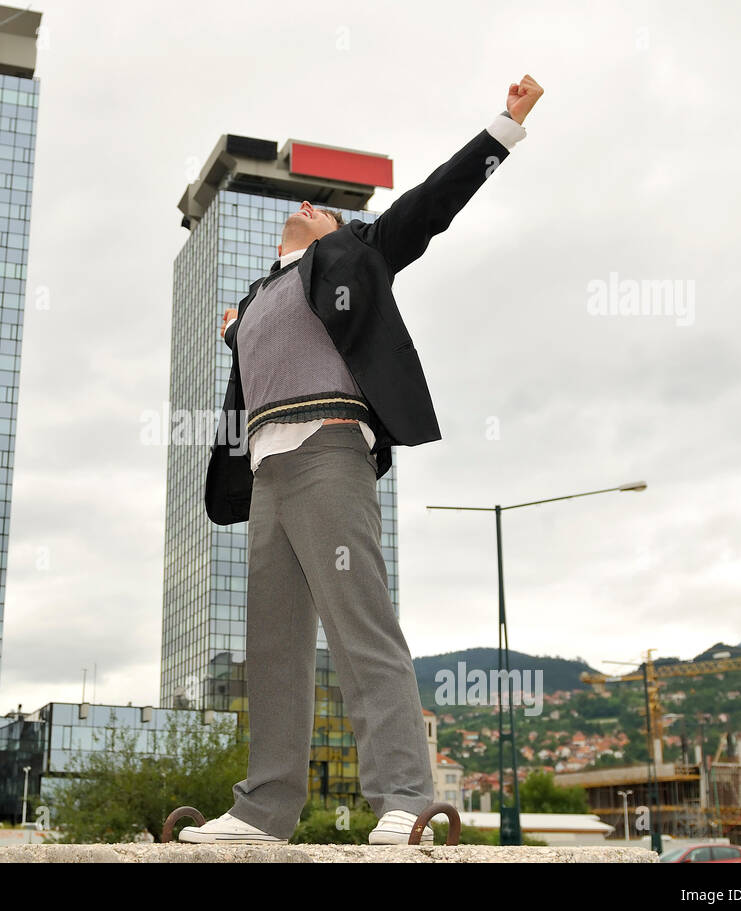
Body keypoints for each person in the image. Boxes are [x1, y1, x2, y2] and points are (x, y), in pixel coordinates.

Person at [186, 76, 544, 844]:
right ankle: (261, 811)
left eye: (328, 206)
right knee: (273, 647)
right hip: (268, 477)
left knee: (362, 627)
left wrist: (502, 130)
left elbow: (427, 205)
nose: (313, 203)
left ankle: (407, 797)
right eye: (307, 204)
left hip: (330, 454)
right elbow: (261, 367)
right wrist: (236, 331)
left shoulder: (356, 252)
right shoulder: (253, 302)